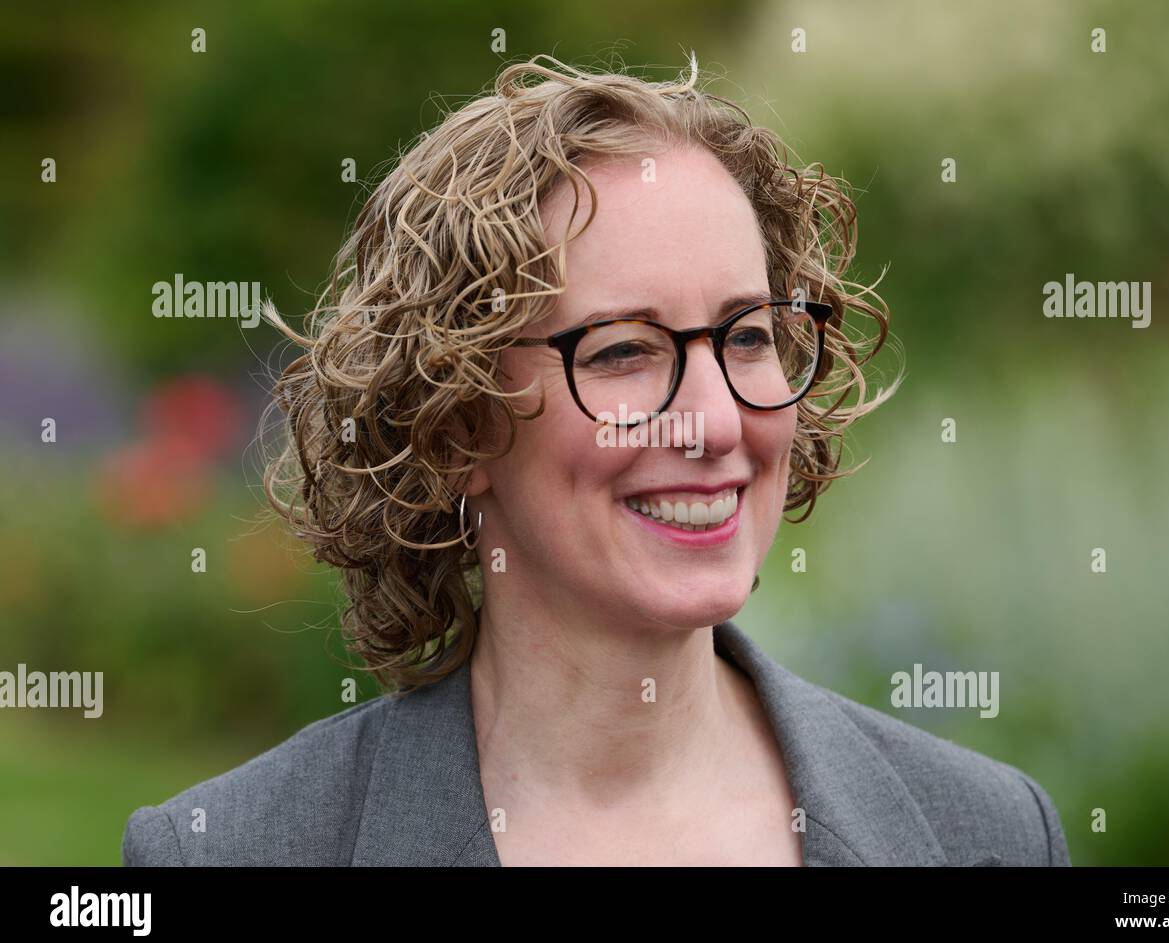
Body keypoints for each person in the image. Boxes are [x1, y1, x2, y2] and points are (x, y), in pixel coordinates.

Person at [122, 53, 1069, 866]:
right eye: (622, 350)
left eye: (747, 336)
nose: (716, 422)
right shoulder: (228, 851)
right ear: (456, 427)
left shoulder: (989, 834)